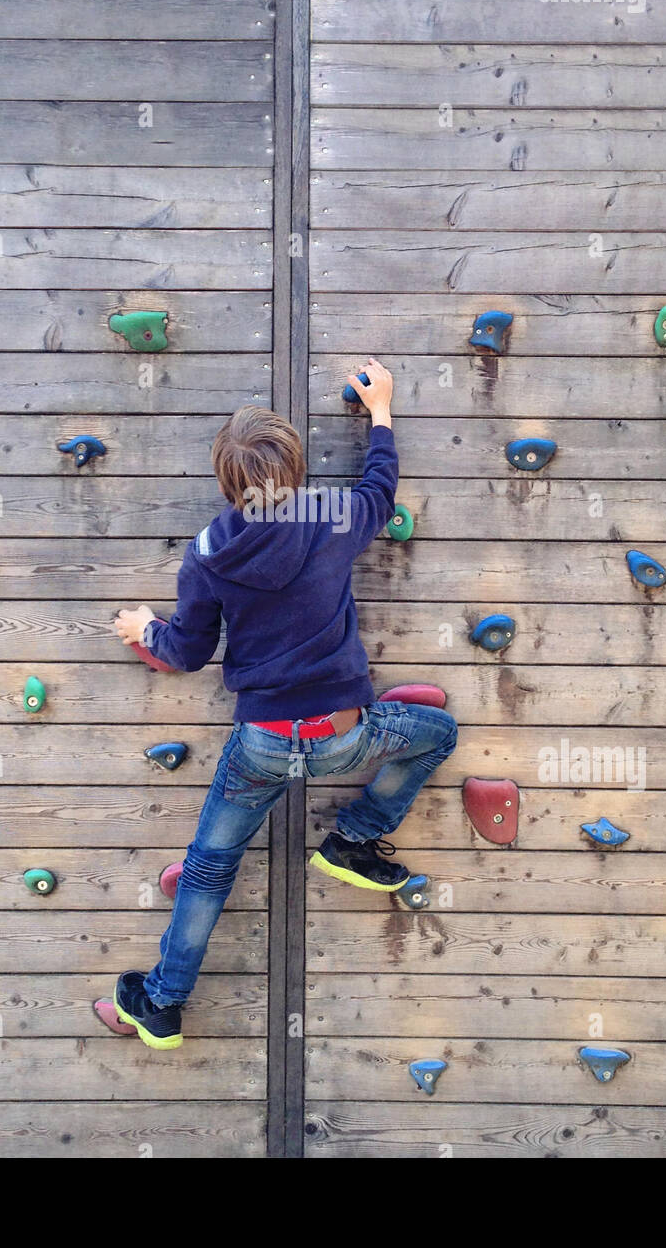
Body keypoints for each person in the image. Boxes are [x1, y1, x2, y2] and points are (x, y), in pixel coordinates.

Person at [110, 360, 458, 1048]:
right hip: (344, 736)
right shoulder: (328, 517)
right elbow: (380, 491)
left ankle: (162, 1002)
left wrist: (142, 628)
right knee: (435, 734)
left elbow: (184, 654)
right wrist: (381, 412)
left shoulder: (209, 553)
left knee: (209, 868)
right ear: (296, 469)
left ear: (225, 479)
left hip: (264, 744)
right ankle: (353, 840)